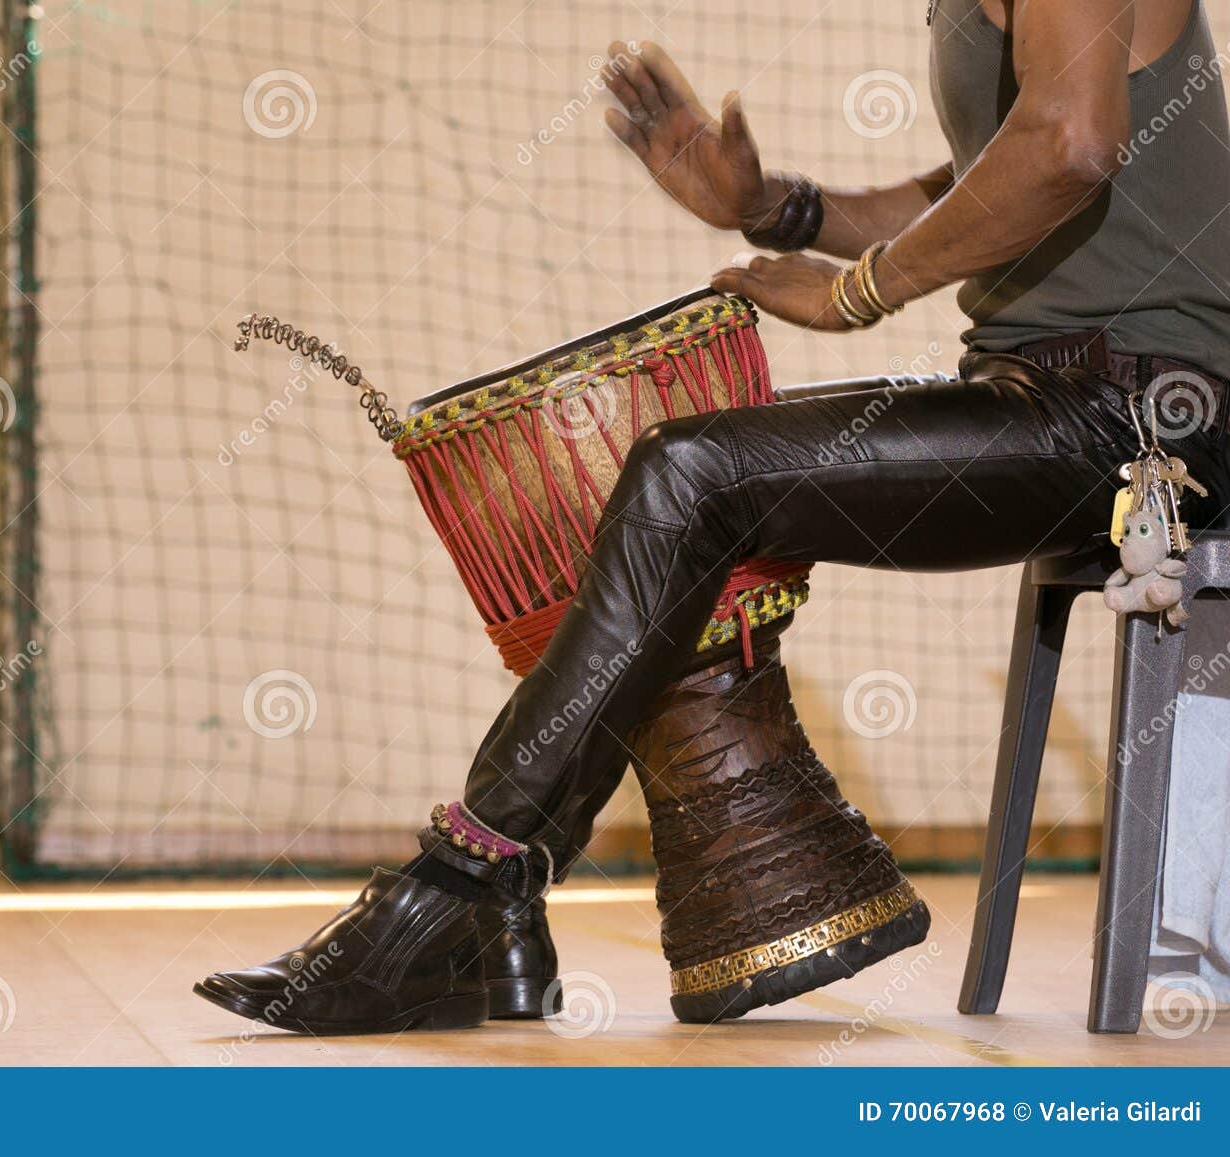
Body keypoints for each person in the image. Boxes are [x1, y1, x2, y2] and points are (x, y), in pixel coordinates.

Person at [195, 0, 1230, 1035]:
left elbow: (1072, 145)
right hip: (1051, 397)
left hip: (1152, 418)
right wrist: (779, 208)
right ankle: (512, 915)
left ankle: (465, 885)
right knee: (672, 471)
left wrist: (855, 293)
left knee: (690, 473)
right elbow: (986, 176)